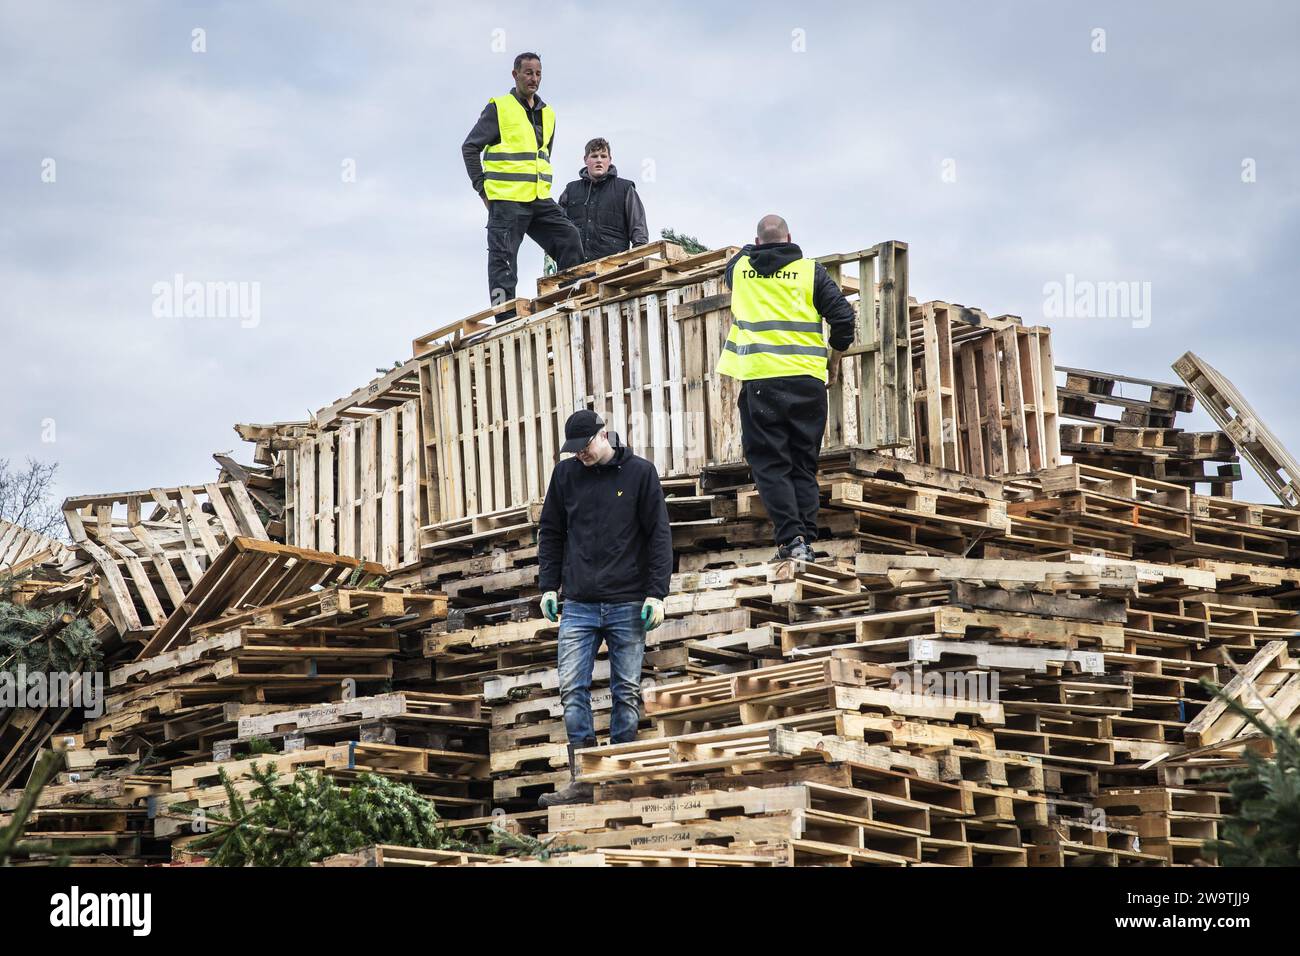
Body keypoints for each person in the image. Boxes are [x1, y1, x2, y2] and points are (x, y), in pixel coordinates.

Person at [535, 409, 672, 807]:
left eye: (585, 447)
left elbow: (659, 536)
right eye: (573, 450)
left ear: (604, 434)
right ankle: (583, 780)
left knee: (626, 691)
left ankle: (620, 778)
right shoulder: (565, 476)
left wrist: (656, 594)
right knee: (571, 689)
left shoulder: (641, 474)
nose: (581, 455)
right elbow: (551, 531)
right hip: (577, 603)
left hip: (627, 601)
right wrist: (548, 586)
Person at [715, 214, 857, 562]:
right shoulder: (810, 272)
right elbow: (843, 318)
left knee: (770, 463)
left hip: (761, 382)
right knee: (803, 463)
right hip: (807, 383)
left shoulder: (742, 271)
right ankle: (804, 540)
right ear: (790, 237)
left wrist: (752, 247)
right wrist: (834, 359)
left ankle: (792, 541)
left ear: (758, 241)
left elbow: (731, 264)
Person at [461, 52, 584, 310]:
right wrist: (483, 190)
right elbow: (469, 148)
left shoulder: (547, 114)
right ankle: (505, 322)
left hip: (538, 198)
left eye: (538, 73)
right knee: (504, 264)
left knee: (569, 236)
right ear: (515, 74)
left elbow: (543, 155)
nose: (534, 78)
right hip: (506, 202)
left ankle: (570, 300)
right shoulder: (499, 108)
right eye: (528, 73)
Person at [557, 138, 649, 263]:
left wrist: (639, 255)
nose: (599, 160)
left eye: (603, 156)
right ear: (585, 160)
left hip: (612, 269)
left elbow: (638, 226)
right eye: (594, 156)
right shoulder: (571, 190)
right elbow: (557, 225)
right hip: (573, 268)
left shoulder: (625, 189)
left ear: (610, 160)